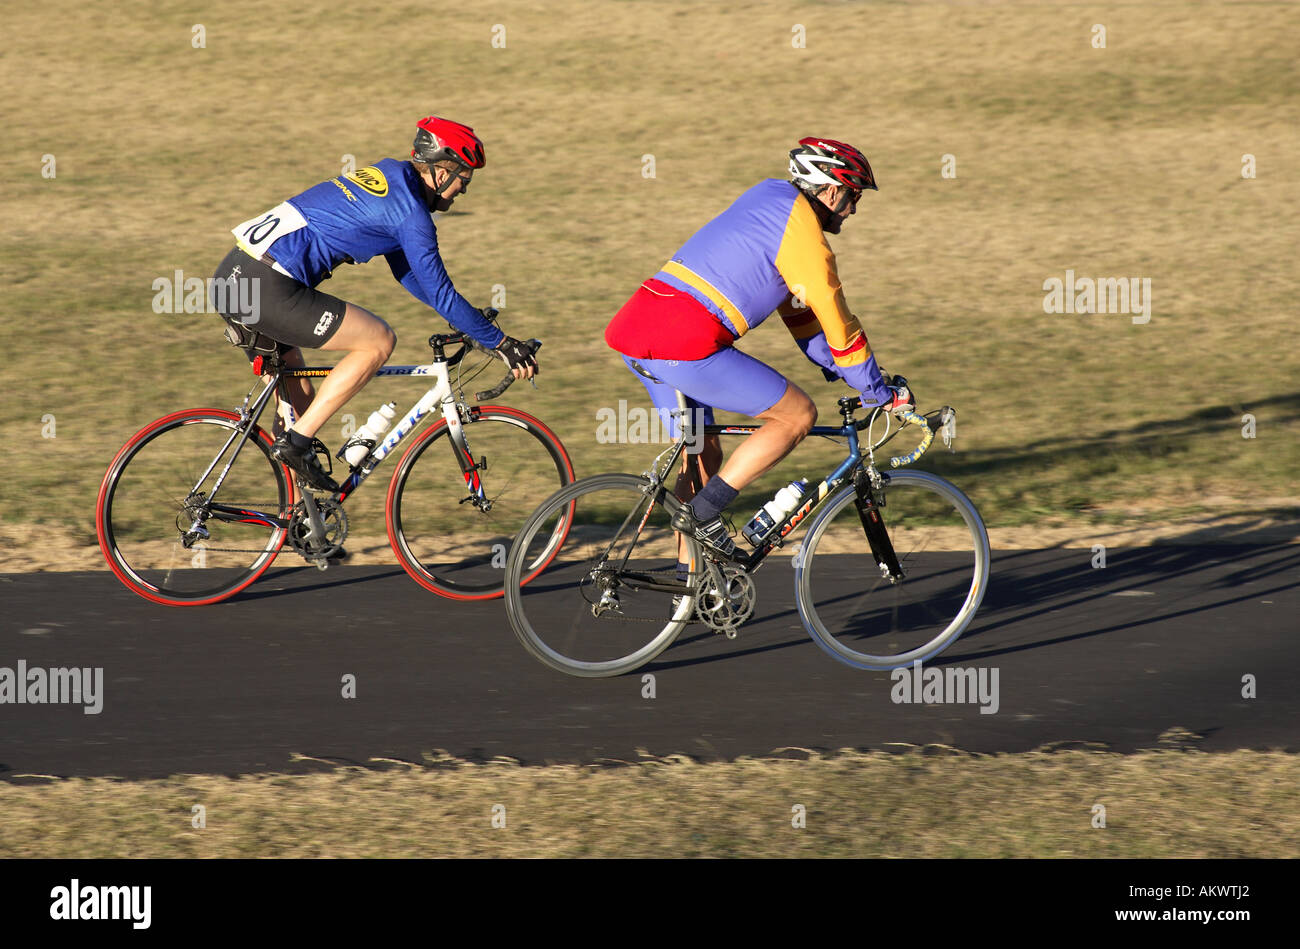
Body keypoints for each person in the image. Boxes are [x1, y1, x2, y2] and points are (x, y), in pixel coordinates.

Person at [604, 137, 912, 562]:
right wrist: (879, 391)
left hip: (637, 331)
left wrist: (848, 373)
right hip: (683, 343)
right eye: (853, 196)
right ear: (830, 189)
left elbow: (805, 323)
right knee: (798, 415)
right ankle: (702, 515)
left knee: (702, 455)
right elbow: (835, 316)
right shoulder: (804, 237)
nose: (854, 209)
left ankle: (687, 588)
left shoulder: (768, 197)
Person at [210, 115, 538, 492]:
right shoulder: (411, 215)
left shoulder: (391, 176)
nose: (463, 190)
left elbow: (414, 277)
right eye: (463, 179)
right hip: (268, 285)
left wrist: (471, 325)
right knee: (378, 341)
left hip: (234, 275)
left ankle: (304, 523)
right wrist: (501, 342)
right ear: (442, 171)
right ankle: (296, 446)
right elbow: (441, 290)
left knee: (301, 402)